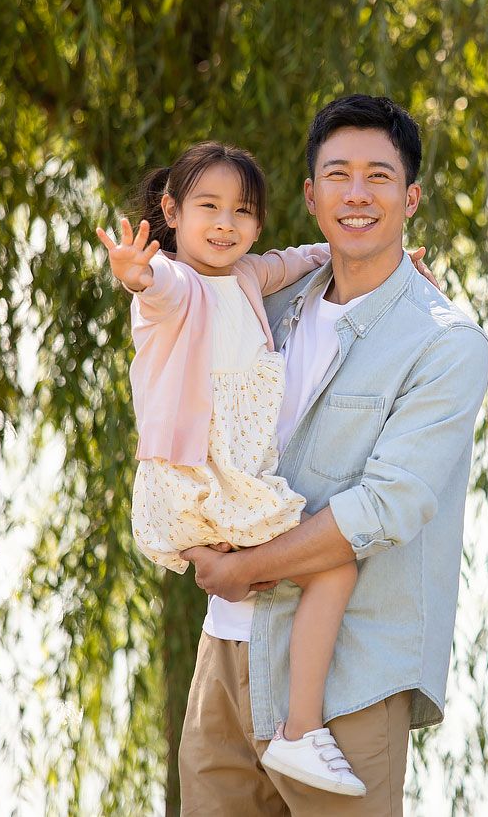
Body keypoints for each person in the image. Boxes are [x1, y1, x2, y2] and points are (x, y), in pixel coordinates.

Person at [172, 95, 488, 816]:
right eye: (337, 175)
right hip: (225, 655)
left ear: (410, 197)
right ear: (310, 196)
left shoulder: (442, 343)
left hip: (346, 671)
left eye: (378, 176)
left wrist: (244, 568)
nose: (356, 194)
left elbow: (387, 505)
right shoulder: (264, 307)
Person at [98, 141, 368, 794]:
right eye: (208, 208)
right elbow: (157, 291)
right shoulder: (177, 284)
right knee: (333, 560)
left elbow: (299, 261)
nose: (225, 224)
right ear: (172, 211)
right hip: (200, 478)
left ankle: (221, 573)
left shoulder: (245, 276)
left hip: (228, 481)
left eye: (242, 212)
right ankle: (299, 728)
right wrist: (137, 274)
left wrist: (370, 260)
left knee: (270, 572)